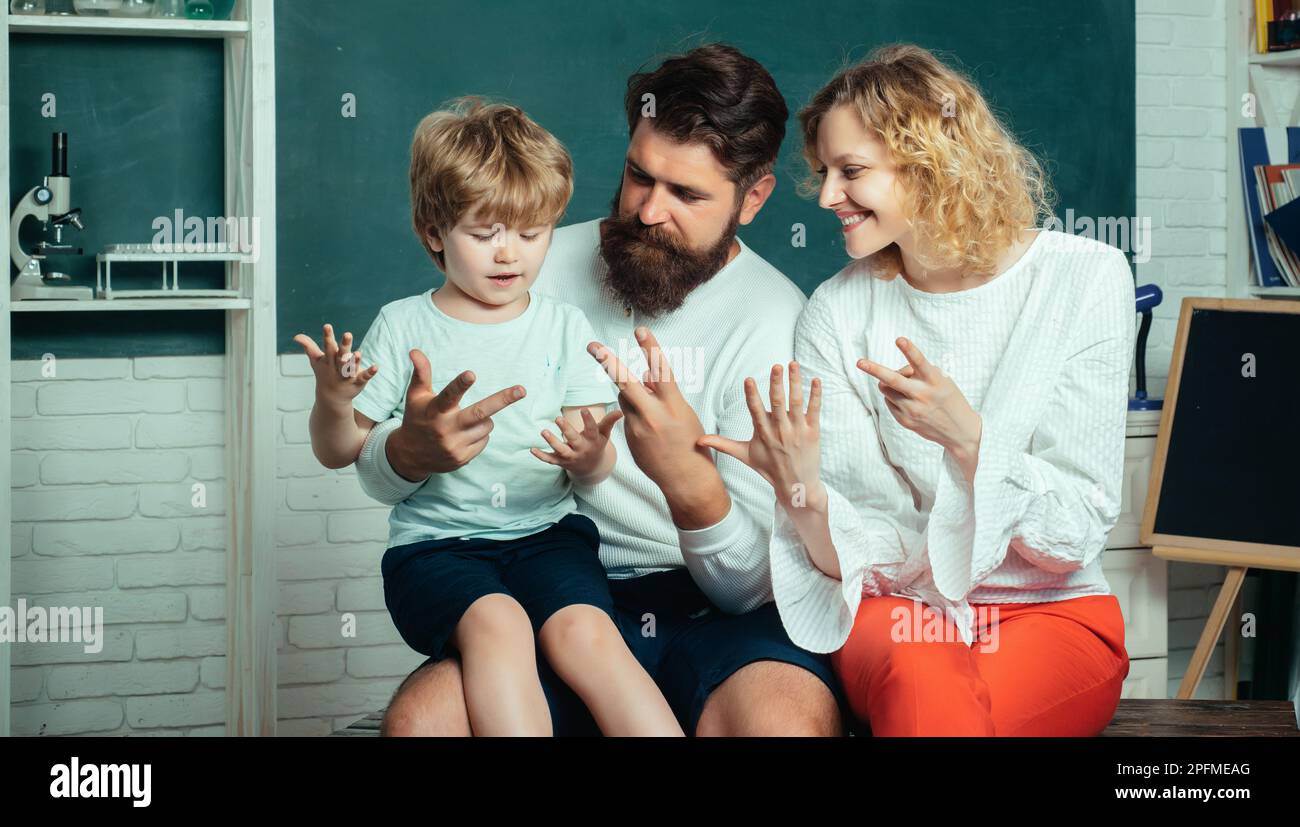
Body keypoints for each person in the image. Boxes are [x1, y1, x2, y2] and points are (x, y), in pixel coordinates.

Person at [356, 44, 844, 736]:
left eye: (686, 194)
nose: (647, 211)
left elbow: (747, 590)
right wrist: (408, 452)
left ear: (754, 198)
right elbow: (378, 461)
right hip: (555, 585)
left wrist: (686, 478)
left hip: (716, 616)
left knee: (784, 725)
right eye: (639, 176)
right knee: (422, 722)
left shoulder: (778, 323)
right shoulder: (529, 267)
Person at [700, 44, 1136, 736]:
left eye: (851, 172)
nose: (826, 197)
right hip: (898, 611)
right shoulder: (836, 312)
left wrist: (970, 442)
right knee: (928, 681)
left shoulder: (1086, 279)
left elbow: (1073, 531)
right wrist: (802, 495)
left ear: (930, 157)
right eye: (823, 173)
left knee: (947, 715)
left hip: (1050, 612)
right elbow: (868, 547)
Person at [294, 98, 681, 736]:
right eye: (484, 233)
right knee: (499, 625)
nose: (509, 255)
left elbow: (595, 456)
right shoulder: (403, 324)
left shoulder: (562, 326)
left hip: (550, 539)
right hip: (437, 553)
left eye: (531, 234)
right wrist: (335, 402)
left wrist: (592, 459)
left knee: (589, 634)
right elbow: (338, 451)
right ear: (433, 233)